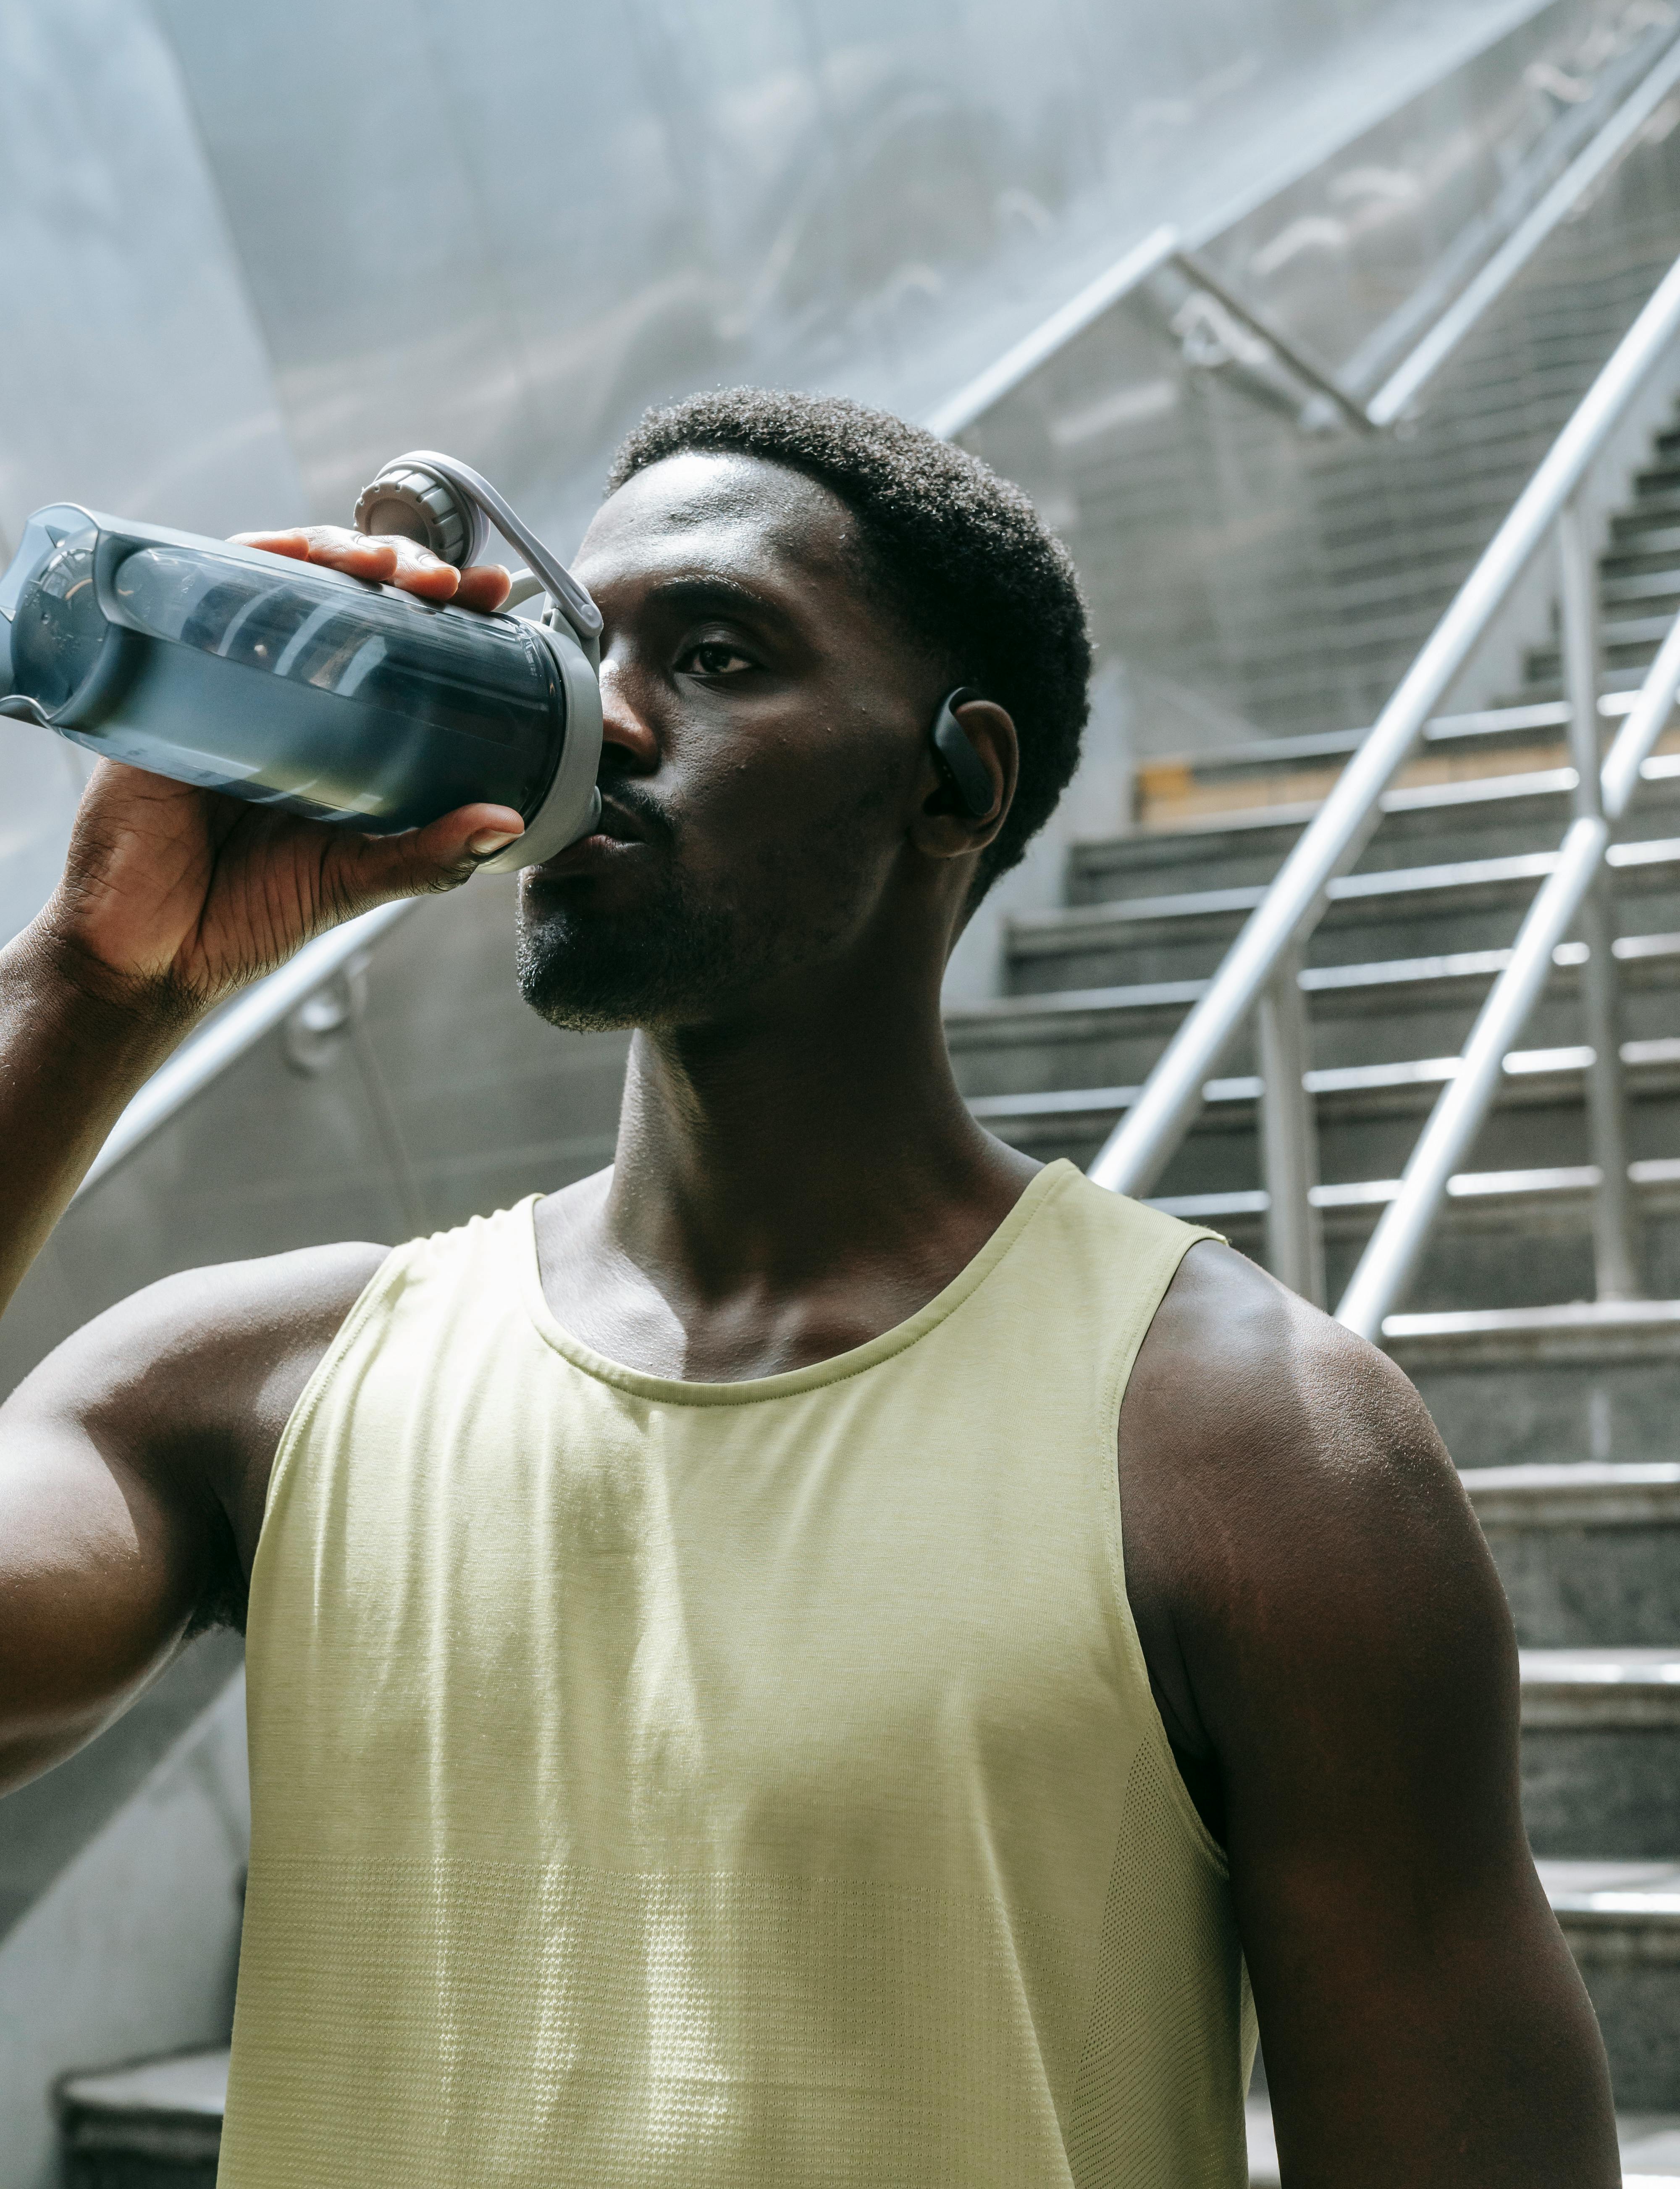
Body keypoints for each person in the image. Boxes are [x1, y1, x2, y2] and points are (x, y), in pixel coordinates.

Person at [0, 390, 1617, 2185]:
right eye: (567, 644)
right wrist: (93, 990)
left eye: (713, 654)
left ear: (956, 779)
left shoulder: (1259, 1457)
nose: (599, 717)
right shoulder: (248, 1383)